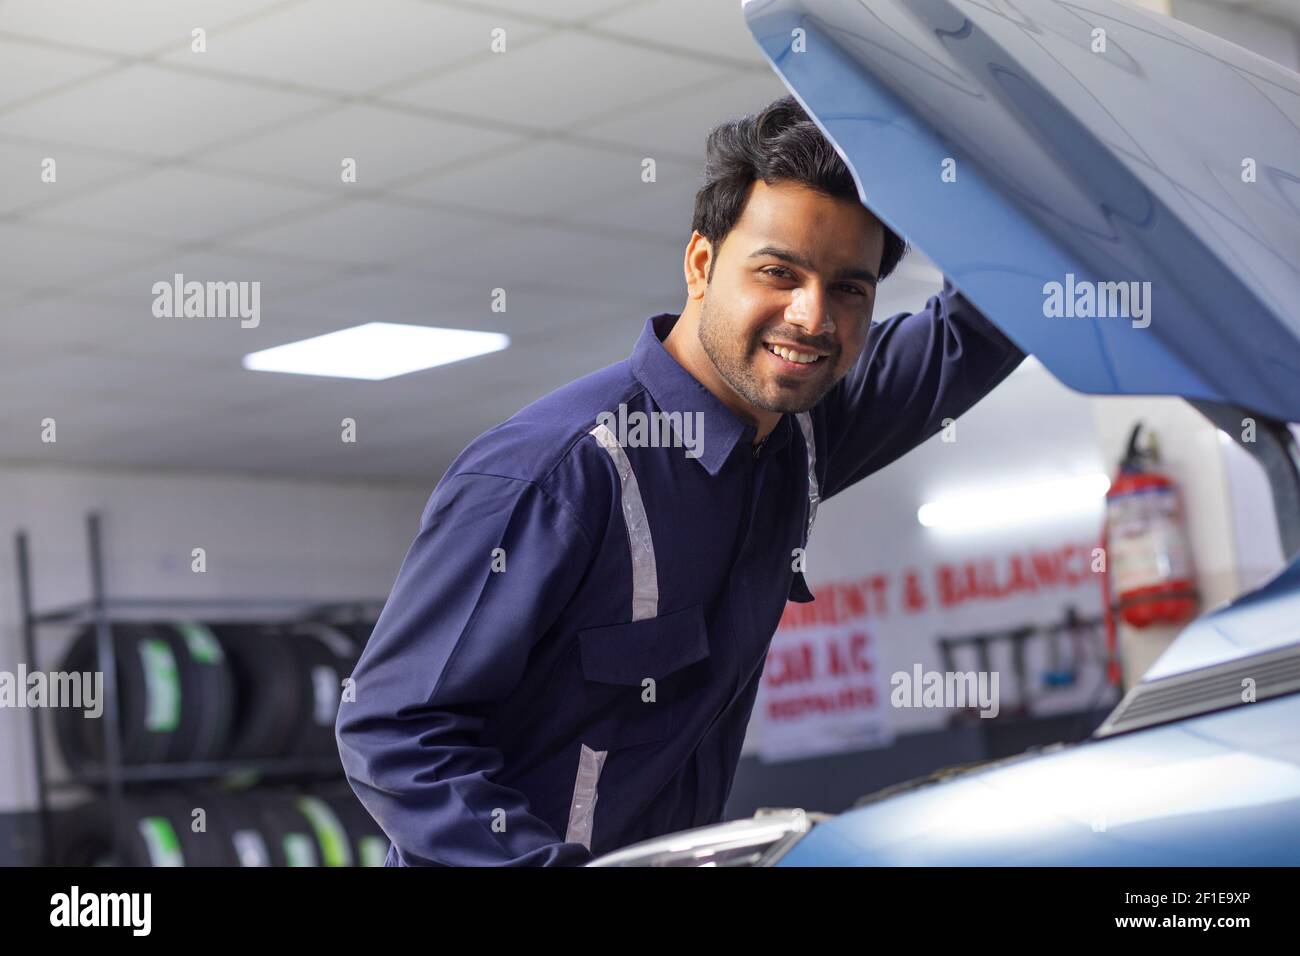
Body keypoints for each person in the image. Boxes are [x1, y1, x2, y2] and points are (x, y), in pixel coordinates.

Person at [336, 94, 1025, 866]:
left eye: (849, 289)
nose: (811, 315)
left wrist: (1011, 158)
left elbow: (982, 326)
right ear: (701, 265)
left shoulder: (799, 433)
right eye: (778, 271)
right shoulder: (557, 474)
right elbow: (393, 728)